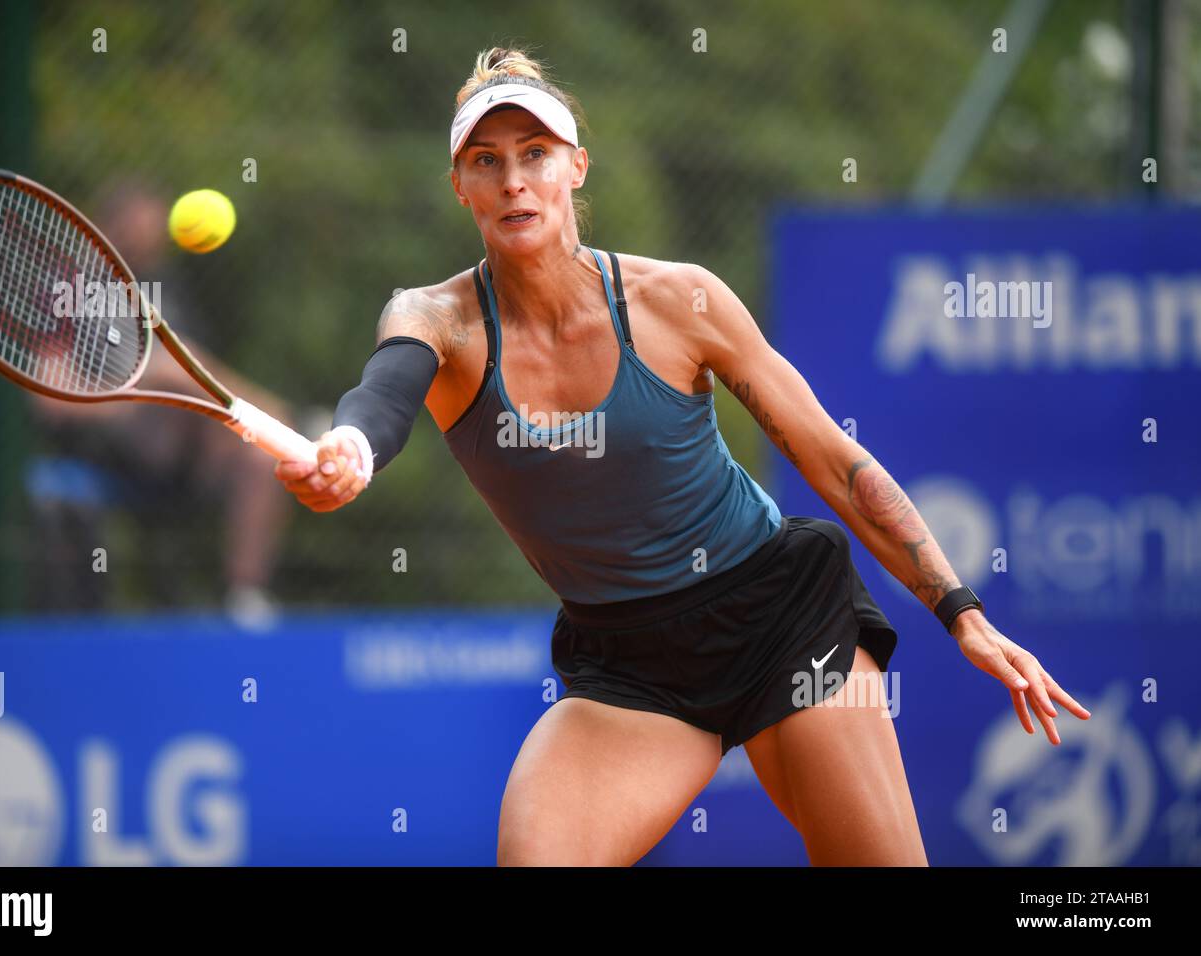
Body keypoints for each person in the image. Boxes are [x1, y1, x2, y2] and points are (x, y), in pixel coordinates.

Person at [274, 47, 1091, 865]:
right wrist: (349, 450)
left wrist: (962, 613)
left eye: (536, 155)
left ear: (576, 168)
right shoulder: (435, 318)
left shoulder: (678, 299)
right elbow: (382, 397)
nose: (513, 181)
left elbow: (831, 461)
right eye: (485, 162)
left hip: (782, 617)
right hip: (629, 666)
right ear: (460, 184)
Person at [31, 179, 295, 630]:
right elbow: (49, 401)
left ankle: (245, 601)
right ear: (107, 228)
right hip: (104, 447)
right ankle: (276, 419)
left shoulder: (163, 288)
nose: (154, 239)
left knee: (257, 456)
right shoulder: (67, 292)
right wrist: (131, 399)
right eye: (141, 227)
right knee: (171, 369)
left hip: (182, 447)